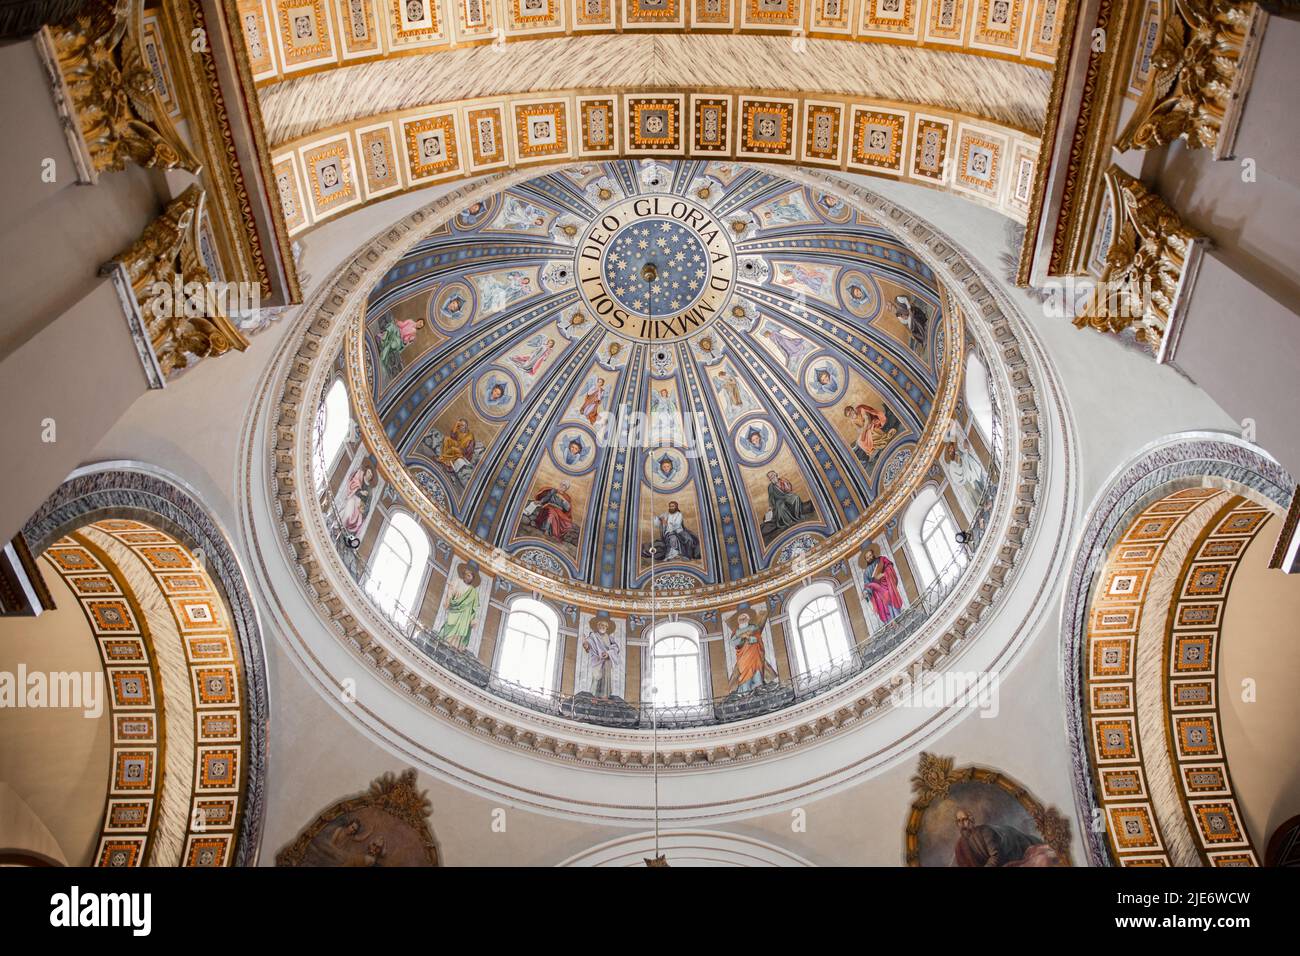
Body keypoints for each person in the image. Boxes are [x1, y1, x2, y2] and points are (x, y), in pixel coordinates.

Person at [951, 809, 1058, 867]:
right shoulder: (960, 845)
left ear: (971, 820)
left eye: (964, 819)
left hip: (1013, 847)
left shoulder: (984, 832)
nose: (962, 824)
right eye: (959, 821)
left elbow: (996, 855)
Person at [433, 562, 481, 650]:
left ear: (473, 578)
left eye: (470, 576)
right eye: (466, 575)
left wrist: (474, 619)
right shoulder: (457, 581)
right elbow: (450, 593)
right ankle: (441, 643)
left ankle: (454, 648)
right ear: (464, 574)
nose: (467, 577)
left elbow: (474, 608)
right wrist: (451, 595)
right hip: (454, 610)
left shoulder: (473, 591)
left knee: (459, 632)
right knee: (449, 624)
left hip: (465, 616)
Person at [729, 605, 772, 694]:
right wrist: (742, 637)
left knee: (757, 673)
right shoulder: (736, 632)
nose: (742, 620)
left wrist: (749, 637)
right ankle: (744, 693)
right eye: (740, 619)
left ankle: (758, 690)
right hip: (743, 657)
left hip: (755, 655)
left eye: (744, 618)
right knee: (745, 675)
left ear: (748, 619)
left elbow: (757, 638)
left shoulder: (753, 627)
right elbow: (733, 643)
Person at [861, 543, 903, 626]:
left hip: (888, 584)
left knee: (892, 599)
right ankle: (891, 623)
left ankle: (899, 618)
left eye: (870, 555)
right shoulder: (866, 572)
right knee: (884, 605)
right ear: (866, 560)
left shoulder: (882, 559)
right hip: (878, 592)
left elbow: (889, 566)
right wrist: (866, 592)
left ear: (873, 554)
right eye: (867, 557)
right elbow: (867, 584)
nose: (870, 557)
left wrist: (884, 574)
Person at [582, 613, 620, 698]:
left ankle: (605, 696)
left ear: (607, 628)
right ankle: (595, 696)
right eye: (601, 625)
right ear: (598, 626)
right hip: (597, 661)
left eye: (605, 626)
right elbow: (588, 645)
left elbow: (615, 647)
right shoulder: (593, 636)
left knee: (606, 678)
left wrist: (608, 653)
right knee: (597, 678)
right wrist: (586, 645)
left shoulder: (610, 638)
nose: (603, 627)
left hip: (607, 662)